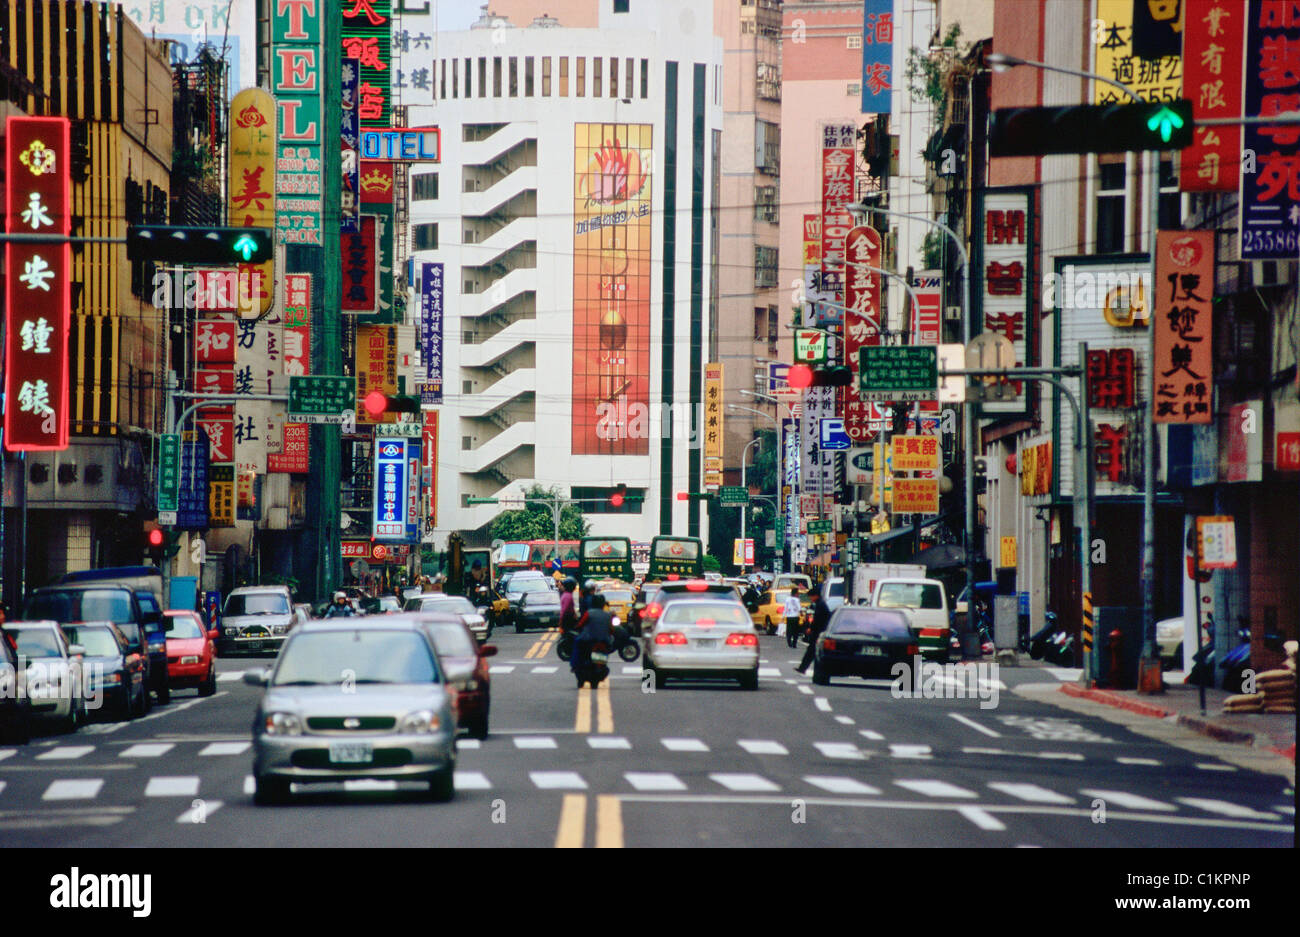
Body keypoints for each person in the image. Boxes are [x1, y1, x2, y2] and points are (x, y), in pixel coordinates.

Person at [570, 594, 614, 687]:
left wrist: (576, 627)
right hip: (604, 641)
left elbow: (580, 625)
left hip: (587, 640)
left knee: (576, 643)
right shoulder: (608, 615)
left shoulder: (589, 613)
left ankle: (574, 665)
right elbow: (611, 630)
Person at [794, 584, 830, 674]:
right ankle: (803, 668)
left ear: (815, 596)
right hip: (820, 631)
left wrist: (811, 628)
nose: (810, 599)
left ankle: (804, 668)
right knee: (812, 651)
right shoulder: (821, 604)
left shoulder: (820, 605)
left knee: (812, 651)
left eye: (811, 597)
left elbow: (817, 619)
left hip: (819, 632)